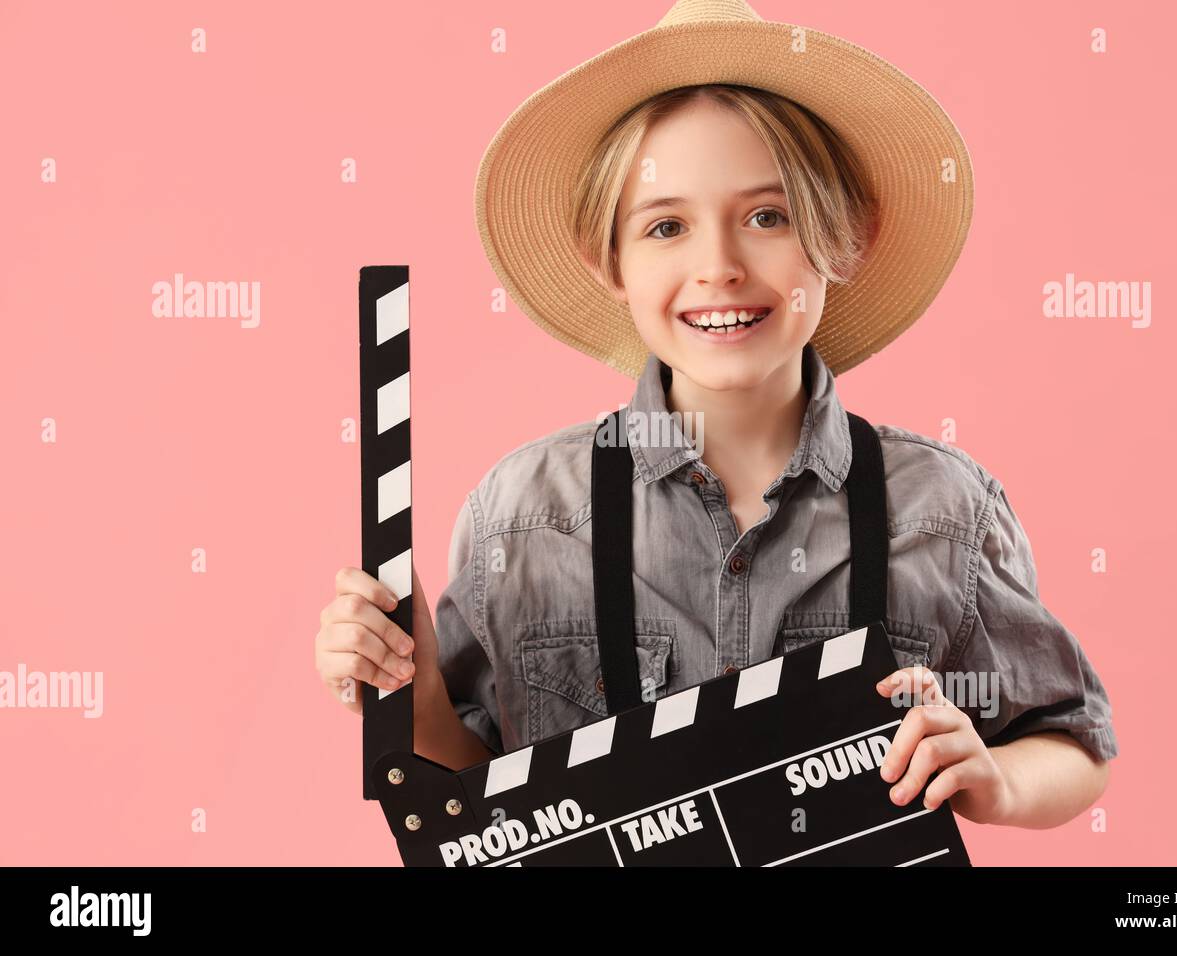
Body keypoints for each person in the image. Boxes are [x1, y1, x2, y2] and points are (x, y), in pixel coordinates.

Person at [316, 0, 1117, 830]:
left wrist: (996, 778)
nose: (720, 267)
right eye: (666, 226)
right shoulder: (518, 518)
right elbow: (472, 791)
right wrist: (405, 696)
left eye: (768, 217)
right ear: (610, 263)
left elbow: (1071, 737)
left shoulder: (945, 508)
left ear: (841, 235)